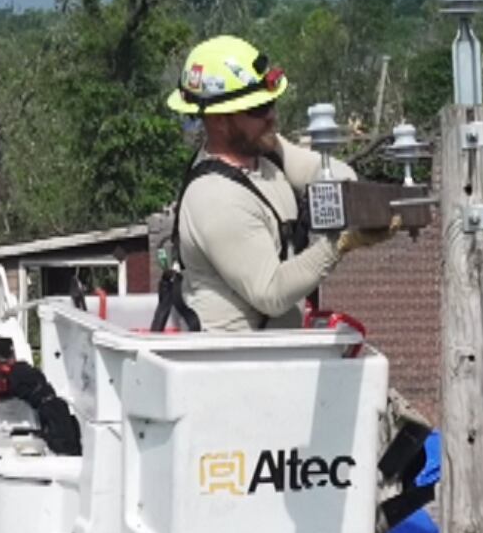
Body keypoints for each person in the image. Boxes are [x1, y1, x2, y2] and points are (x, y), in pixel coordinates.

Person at [154, 35, 383, 332]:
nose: (272, 117)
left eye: (271, 103)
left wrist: (364, 203)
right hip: (232, 366)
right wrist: (338, 243)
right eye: (258, 109)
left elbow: (323, 170)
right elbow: (271, 293)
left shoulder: (266, 154)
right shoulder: (214, 198)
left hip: (273, 359)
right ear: (219, 120)